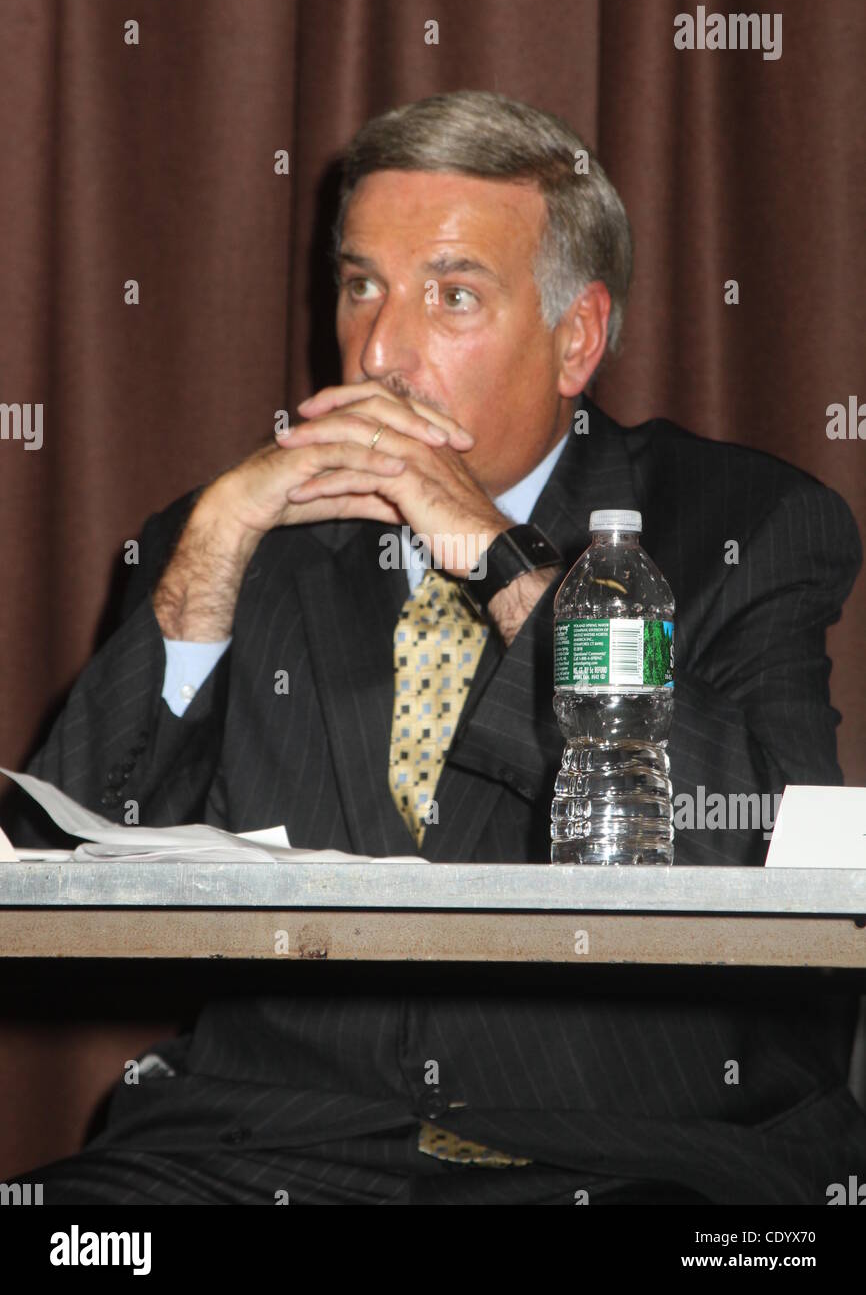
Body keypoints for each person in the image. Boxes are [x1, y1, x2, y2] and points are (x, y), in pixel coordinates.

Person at [5, 90, 866, 1205]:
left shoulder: (743, 527)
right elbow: (57, 866)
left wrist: (504, 566)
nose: (381, 351)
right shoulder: (230, 540)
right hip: (259, 1151)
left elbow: (770, 852)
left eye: (450, 296)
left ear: (575, 339)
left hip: (634, 1157)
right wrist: (212, 546)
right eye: (361, 285)